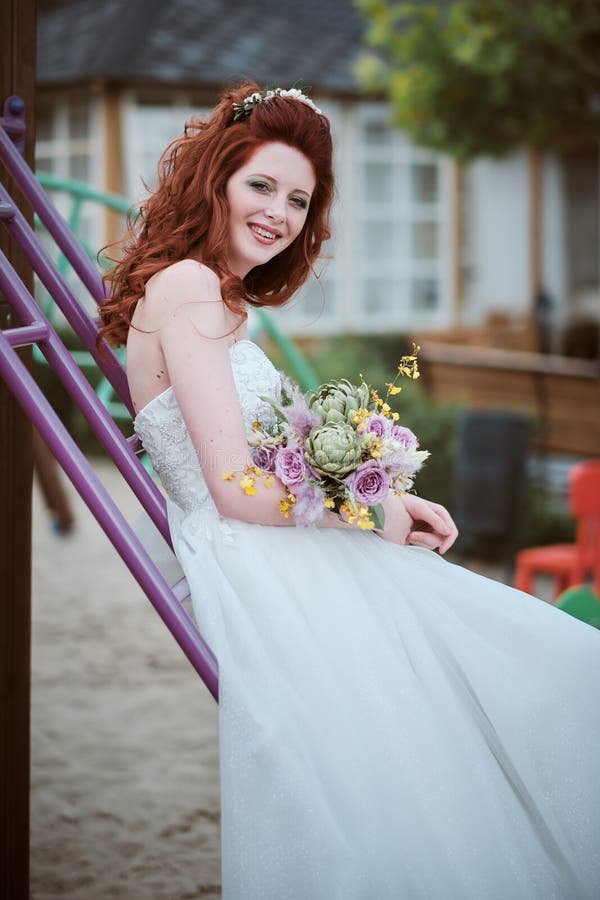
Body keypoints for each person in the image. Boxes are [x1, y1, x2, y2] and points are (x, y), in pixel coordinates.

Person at [99, 82, 600, 899]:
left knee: (492, 678)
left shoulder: (214, 297)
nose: (279, 213)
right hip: (256, 560)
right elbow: (233, 487)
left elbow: (255, 461)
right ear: (216, 178)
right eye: (261, 184)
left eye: (299, 199)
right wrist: (375, 504)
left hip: (281, 544)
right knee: (512, 679)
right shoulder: (190, 290)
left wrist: (358, 477)